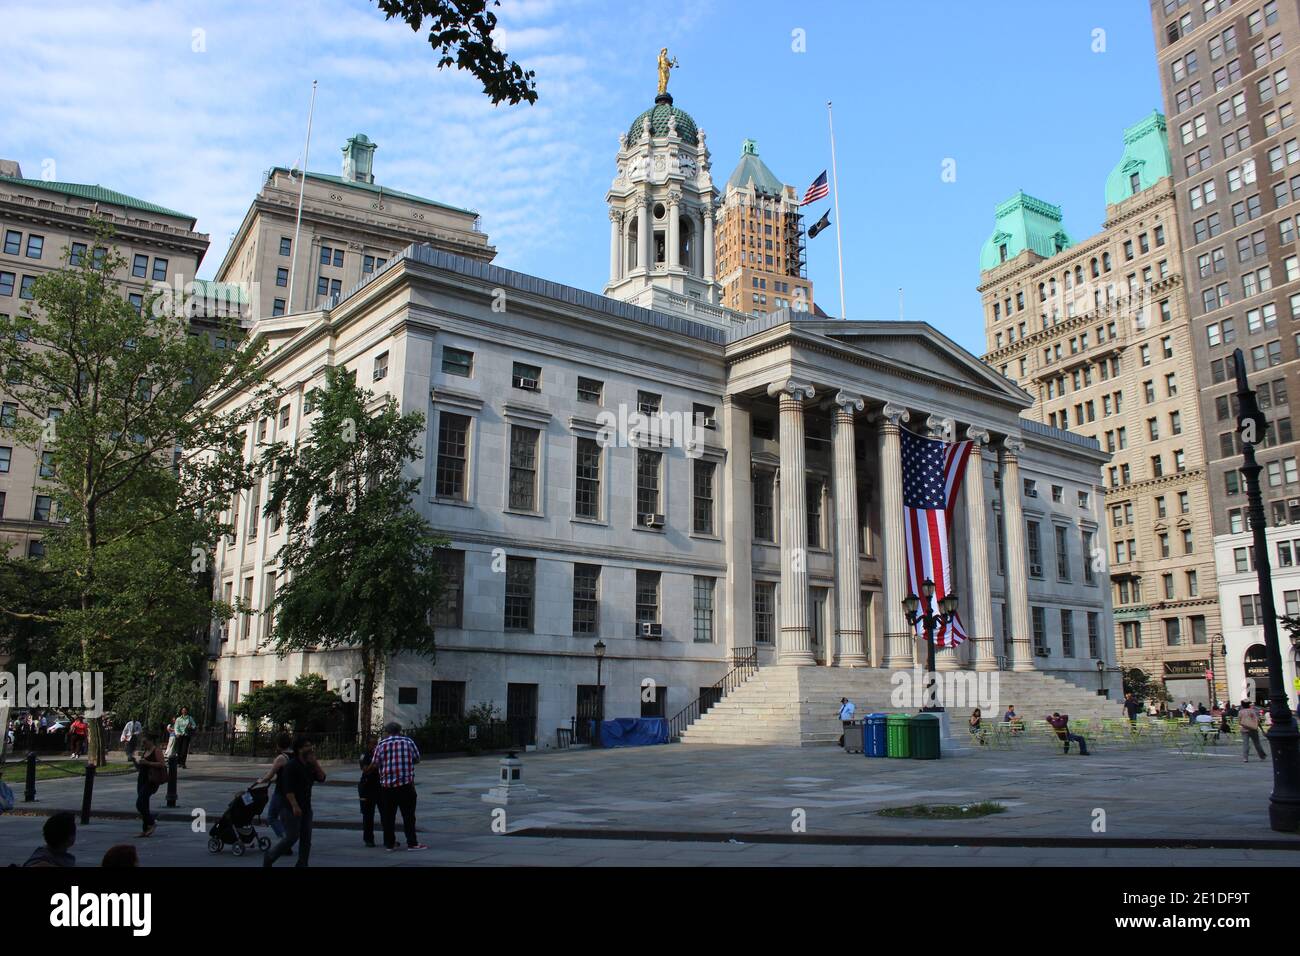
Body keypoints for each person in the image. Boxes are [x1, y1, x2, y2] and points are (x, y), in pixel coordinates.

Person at [264, 736, 325, 867]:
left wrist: (315, 763)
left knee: (306, 839)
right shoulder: (291, 766)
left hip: (306, 807)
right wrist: (295, 806)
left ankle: (302, 864)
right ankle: (270, 856)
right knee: (291, 837)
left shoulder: (309, 765)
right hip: (290, 808)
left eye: (310, 745)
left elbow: (322, 777)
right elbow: (288, 789)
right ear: (299, 749)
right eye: (306, 746)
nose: (310, 748)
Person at [370, 722, 428, 852]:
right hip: (405, 785)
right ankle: (412, 842)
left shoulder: (382, 744)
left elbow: (375, 763)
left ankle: (389, 843)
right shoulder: (408, 742)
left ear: (387, 732)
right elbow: (417, 758)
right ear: (400, 731)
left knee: (388, 816)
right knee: (408, 815)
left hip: (387, 786)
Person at [255, 733, 295, 850]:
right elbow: (286, 774)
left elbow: (270, 774)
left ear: (278, 744)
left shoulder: (281, 758)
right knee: (283, 817)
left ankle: (285, 841)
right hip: (292, 791)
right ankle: (287, 842)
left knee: (272, 816)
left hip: (281, 792)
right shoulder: (294, 756)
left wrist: (261, 780)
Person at [133, 734, 166, 837]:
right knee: (144, 803)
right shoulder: (145, 751)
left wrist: (148, 763)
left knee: (140, 803)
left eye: (145, 742)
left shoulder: (156, 750)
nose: (143, 744)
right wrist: (136, 761)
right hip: (142, 779)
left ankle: (151, 822)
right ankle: (146, 829)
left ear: (151, 741)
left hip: (151, 780)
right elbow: (142, 766)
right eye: (142, 742)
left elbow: (162, 764)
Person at [358, 734, 381, 847]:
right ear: (368, 744)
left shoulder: (379, 754)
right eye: (373, 743)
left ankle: (389, 839)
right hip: (367, 787)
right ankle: (368, 839)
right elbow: (365, 770)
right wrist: (374, 764)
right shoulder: (365, 755)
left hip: (380, 786)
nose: (376, 746)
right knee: (368, 815)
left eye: (377, 743)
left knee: (386, 813)